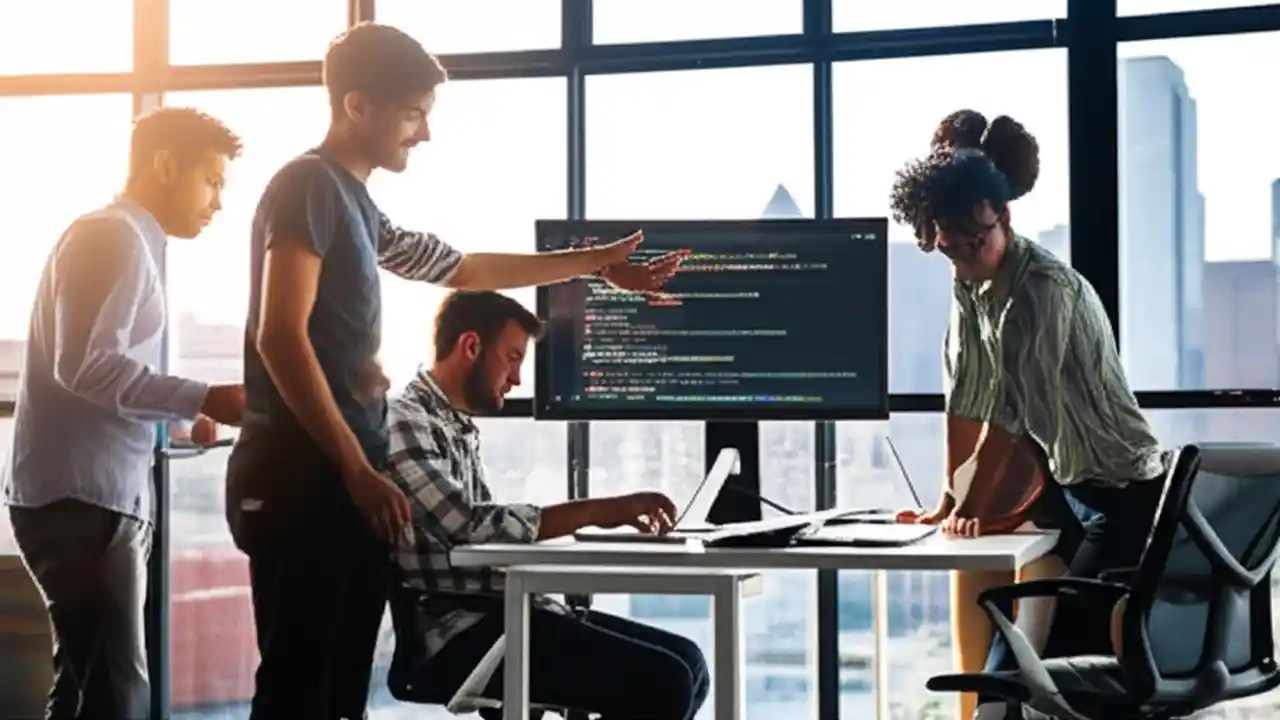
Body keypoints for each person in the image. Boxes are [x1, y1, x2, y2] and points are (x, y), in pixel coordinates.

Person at [224, 22, 686, 719]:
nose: (423, 134)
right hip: (302, 483)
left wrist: (596, 268)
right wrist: (357, 467)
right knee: (299, 694)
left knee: (336, 700)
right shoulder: (307, 188)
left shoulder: (358, 206)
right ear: (357, 105)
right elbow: (280, 336)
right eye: (413, 114)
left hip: (344, 487)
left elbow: (465, 268)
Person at [889, 110, 1167, 719]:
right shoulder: (969, 284)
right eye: (947, 247)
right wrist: (948, 500)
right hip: (1066, 490)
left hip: (1122, 496)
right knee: (1005, 652)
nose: (962, 256)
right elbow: (967, 397)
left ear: (1004, 219)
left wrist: (974, 505)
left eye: (975, 241)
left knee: (1059, 664)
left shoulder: (1044, 288)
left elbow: (1013, 412)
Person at [2, 107, 246, 720]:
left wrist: (180, 423)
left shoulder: (130, 242)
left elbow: (105, 381)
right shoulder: (112, 237)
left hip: (94, 500)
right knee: (114, 693)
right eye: (212, 180)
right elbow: (84, 367)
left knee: (96, 687)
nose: (218, 201)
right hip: (81, 502)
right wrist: (204, 395)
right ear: (164, 165)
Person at [383, 290, 708, 719]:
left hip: (507, 611)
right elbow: (467, 525)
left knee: (691, 664)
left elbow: (480, 538)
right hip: (461, 630)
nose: (517, 378)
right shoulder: (405, 420)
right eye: (512, 357)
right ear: (471, 347)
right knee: (665, 682)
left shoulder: (455, 427)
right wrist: (597, 511)